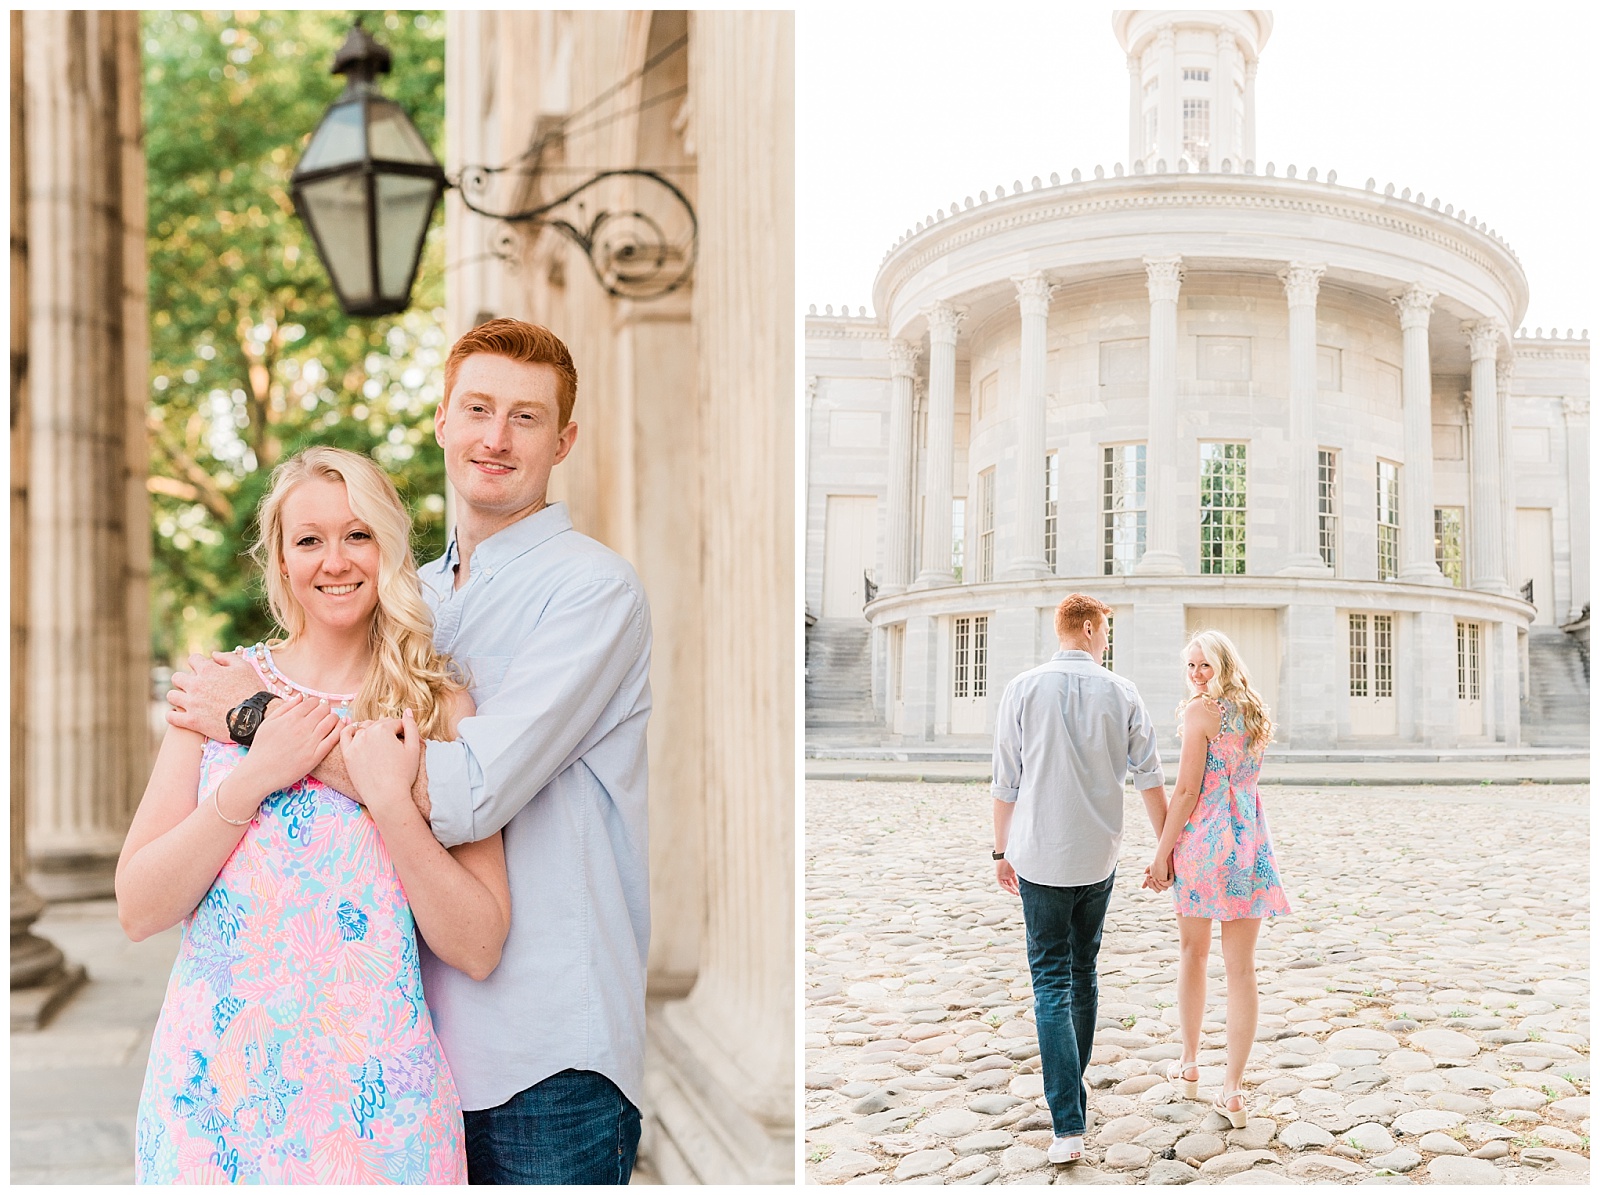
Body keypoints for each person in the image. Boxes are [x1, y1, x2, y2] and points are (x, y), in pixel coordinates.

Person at [167, 318, 652, 1185]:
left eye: (526, 418)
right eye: (477, 408)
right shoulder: (410, 595)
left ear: (564, 440)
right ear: (441, 422)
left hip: (544, 1060)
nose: (495, 438)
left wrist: (259, 724)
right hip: (402, 1059)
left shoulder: (593, 590)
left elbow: (468, 787)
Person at [119, 446, 511, 1183]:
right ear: (280, 557)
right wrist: (254, 777)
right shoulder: (216, 688)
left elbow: (479, 944)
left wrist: (391, 803)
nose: (336, 560)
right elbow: (139, 907)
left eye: (358, 534)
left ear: (389, 545)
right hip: (214, 1102)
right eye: (309, 539)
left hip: (378, 1109)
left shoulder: (437, 707)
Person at [991, 592, 1169, 1165]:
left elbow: (1005, 781)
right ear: (1089, 627)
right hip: (1097, 856)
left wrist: (1000, 852)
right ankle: (1073, 1082)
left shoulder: (1022, 688)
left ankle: (1067, 1120)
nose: (1106, 640)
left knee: (1050, 979)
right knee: (1083, 968)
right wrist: (1166, 850)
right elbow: (1150, 778)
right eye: (1105, 631)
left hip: (1039, 854)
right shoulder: (1122, 692)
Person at [1147, 629, 1291, 1130]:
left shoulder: (1200, 712)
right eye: (1190, 666)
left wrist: (1161, 853)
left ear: (1224, 665)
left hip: (1207, 842)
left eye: (1204, 666)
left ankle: (1190, 1065)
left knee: (1194, 953)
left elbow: (1186, 790)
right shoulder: (1251, 710)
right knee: (1241, 970)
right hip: (1250, 839)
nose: (1196, 675)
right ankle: (1231, 1090)